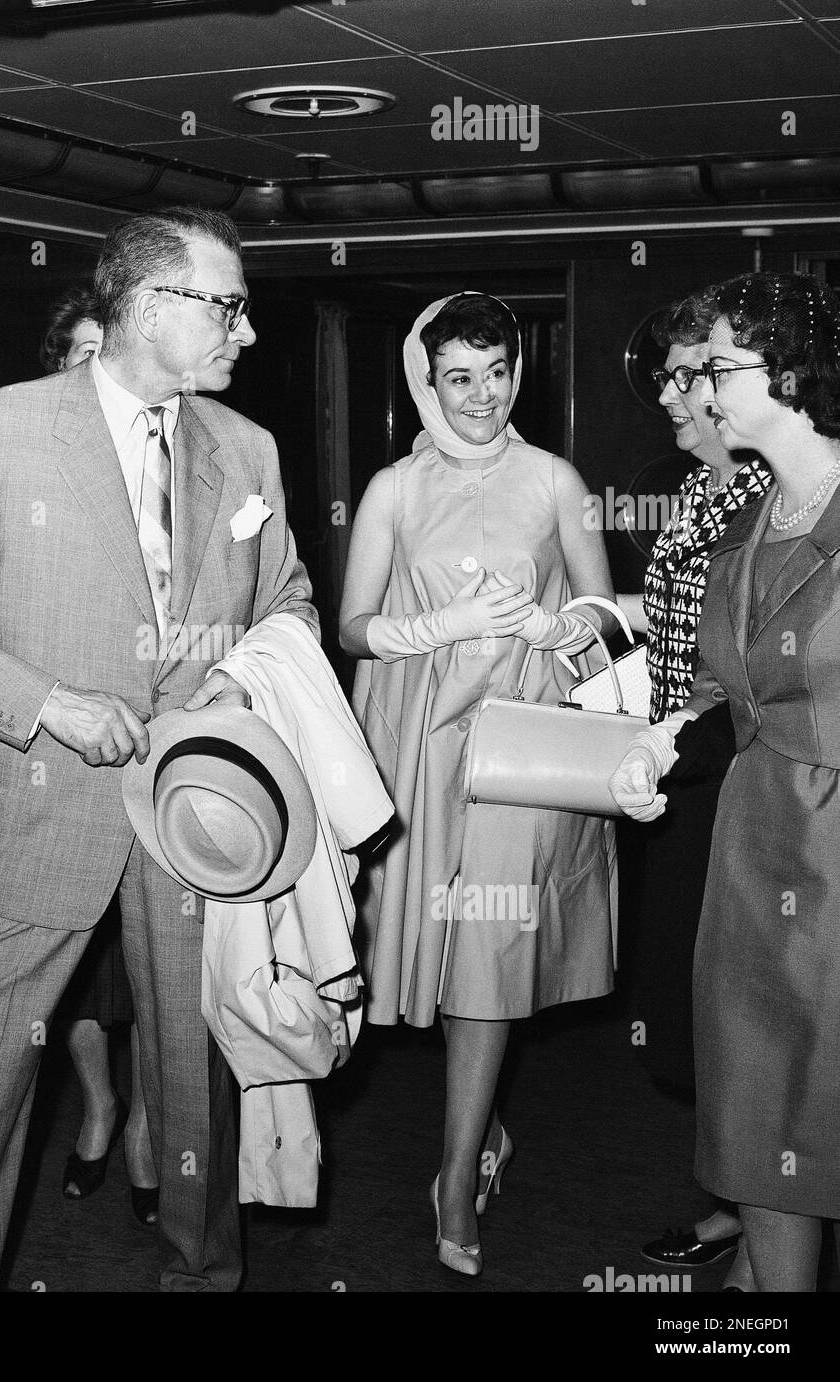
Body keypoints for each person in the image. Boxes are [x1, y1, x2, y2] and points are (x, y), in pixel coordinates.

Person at [0, 205, 317, 1292]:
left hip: (200, 809)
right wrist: (46, 700)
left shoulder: (245, 448)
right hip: (42, 799)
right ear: (151, 306)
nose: (245, 333)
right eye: (228, 307)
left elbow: (291, 599)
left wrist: (236, 669)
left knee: (194, 1073)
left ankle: (201, 1273)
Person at [341, 292, 617, 1277]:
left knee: (489, 957)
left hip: (518, 746)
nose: (481, 395)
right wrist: (432, 629)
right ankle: (486, 1132)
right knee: (435, 954)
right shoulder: (390, 490)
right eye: (459, 375)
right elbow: (352, 623)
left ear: (516, 370)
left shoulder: (554, 479)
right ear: (429, 378)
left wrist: (560, 627)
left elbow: (606, 612)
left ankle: (454, 1174)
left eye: (496, 371)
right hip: (419, 736)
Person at [611, 271, 840, 1291]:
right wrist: (661, 745)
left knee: (812, 1119)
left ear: (787, 373)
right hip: (751, 851)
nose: (695, 388)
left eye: (714, 366)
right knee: (757, 1123)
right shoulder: (746, 525)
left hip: (831, 849)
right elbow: (721, 686)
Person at [615, 295, 770, 1287]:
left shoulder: (765, 490)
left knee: (734, 1014)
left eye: (688, 374)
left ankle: (762, 1234)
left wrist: (678, 733)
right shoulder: (701, 485)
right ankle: (736, 1208)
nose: (668, 393)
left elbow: (753, 669)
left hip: (736, 774)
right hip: (683, 761)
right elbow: (680, 620)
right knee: (692, 1004)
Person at [38, 284, 158, 1224]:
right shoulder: (23, 459)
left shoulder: (180, 463)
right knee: (77, 973)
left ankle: (157, 1122)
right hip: (63, 763)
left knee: (160, 971)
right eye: (77, 359)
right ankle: (100, 1106)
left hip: (162, 761)